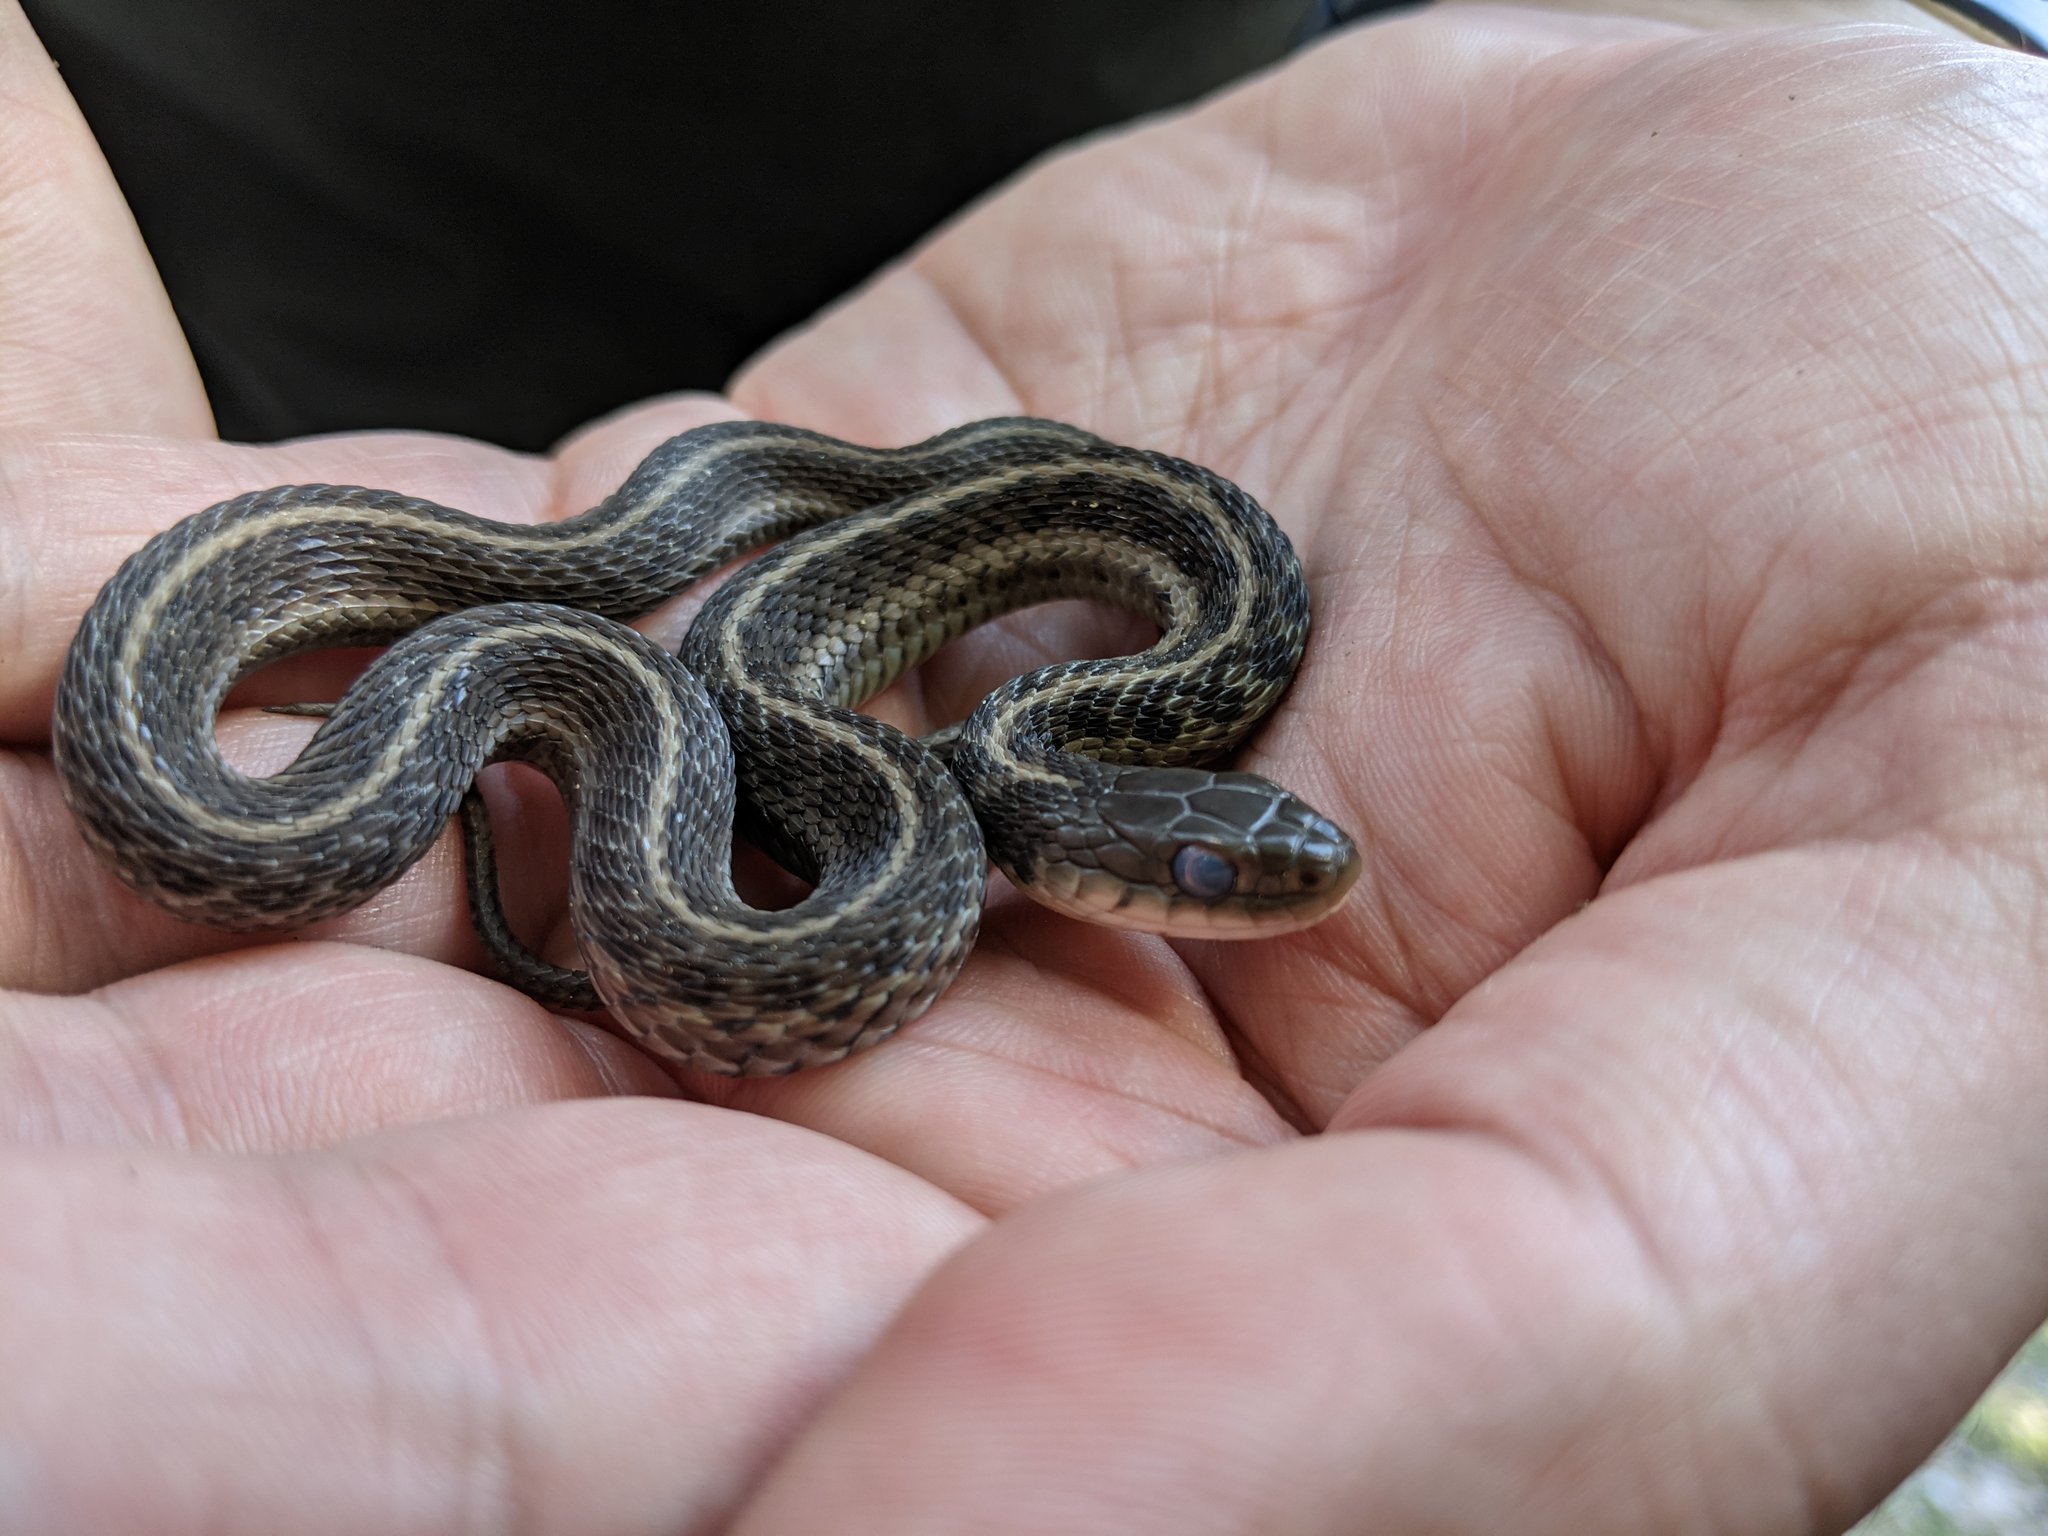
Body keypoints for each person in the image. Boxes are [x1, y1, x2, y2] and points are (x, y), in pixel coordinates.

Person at [1, 1, 2044, 1531]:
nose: (1272, 876)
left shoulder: (1118, 658)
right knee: (620, 631)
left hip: (1096, 130)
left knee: (667, 647)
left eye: (1232, 869)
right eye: (1235, 879)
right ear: (1094, 864)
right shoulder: (879, 766)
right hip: (225, 217)